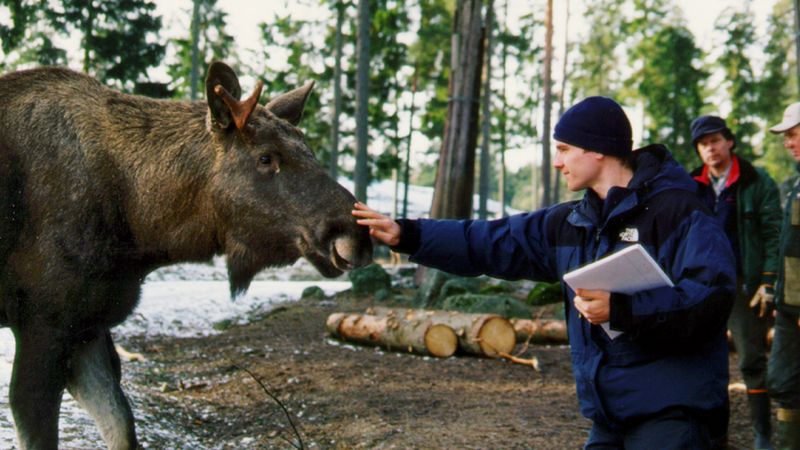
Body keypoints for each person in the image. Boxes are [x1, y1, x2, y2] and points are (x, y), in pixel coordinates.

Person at [353, 96, 736, 449]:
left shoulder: (681, 211)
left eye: (564, 149)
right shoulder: (571, 222)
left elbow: (711, 299)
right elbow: (486, 241)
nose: (557, 162)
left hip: (673, 415)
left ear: (598, 150)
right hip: (609, 417)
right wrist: (407, 234)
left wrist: (623, 309)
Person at [689, 115, 782, 450]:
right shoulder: (691, 186)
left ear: (729, 142)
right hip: (703, 283)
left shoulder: (757, 181)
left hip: (746, 284)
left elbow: (774, 234)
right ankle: (716, 436)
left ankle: (762, 434)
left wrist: (768, 281)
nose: (710, 149)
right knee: (703, 360)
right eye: (703, 144)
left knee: (751, 359)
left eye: (715, 140)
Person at [767, 102, 800, 450]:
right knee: (784, 383)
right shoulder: (795, 185)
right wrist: (781, 298)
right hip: (790, 308)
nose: (787, 142)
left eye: (792, 134)